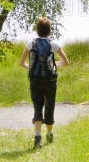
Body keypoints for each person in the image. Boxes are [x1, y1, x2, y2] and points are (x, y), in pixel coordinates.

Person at [19, 17, 69, 149]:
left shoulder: (30, 43)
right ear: (49, 30)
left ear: (38, 30)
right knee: (49, 106)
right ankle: (49, 133)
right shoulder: (54, 44)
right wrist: (54, 64)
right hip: (50, 81)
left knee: (37, 107)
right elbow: (66, 62)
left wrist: (31, 67)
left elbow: (22, 63)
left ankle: (37, 137)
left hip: (35, 81)